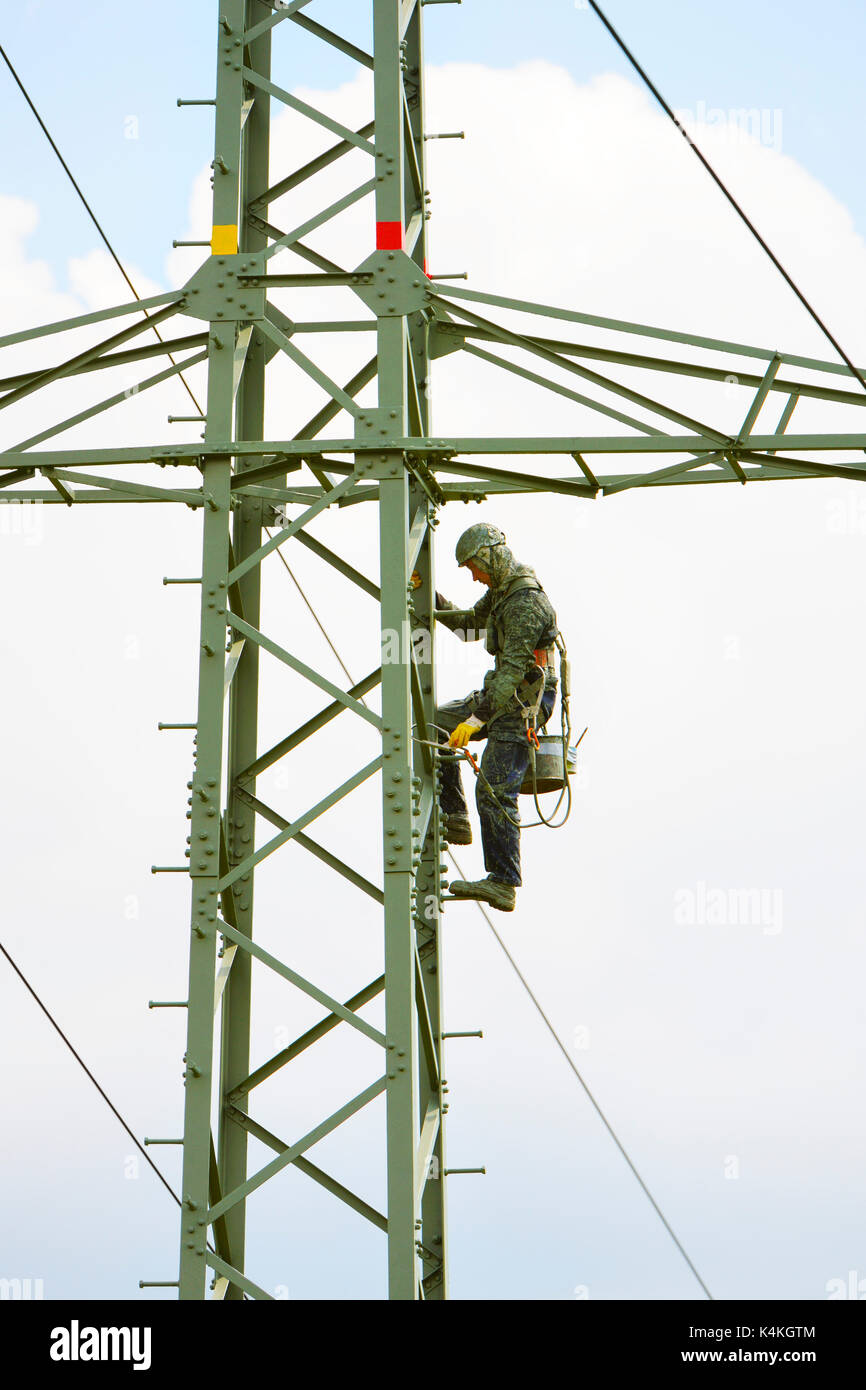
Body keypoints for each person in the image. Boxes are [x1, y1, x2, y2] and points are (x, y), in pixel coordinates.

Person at [433, 522, 559, 912]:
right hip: (504, 695)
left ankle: (504, 882)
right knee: (436, 721)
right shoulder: (502, 592)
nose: (473, 575)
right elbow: (471, 626)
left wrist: (473, 721)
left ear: (490, 554)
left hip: (523, 701)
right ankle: (455, 815)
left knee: (493, 787)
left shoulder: (525, 603)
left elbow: (512, 674)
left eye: (474, 565)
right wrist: (428, 599)